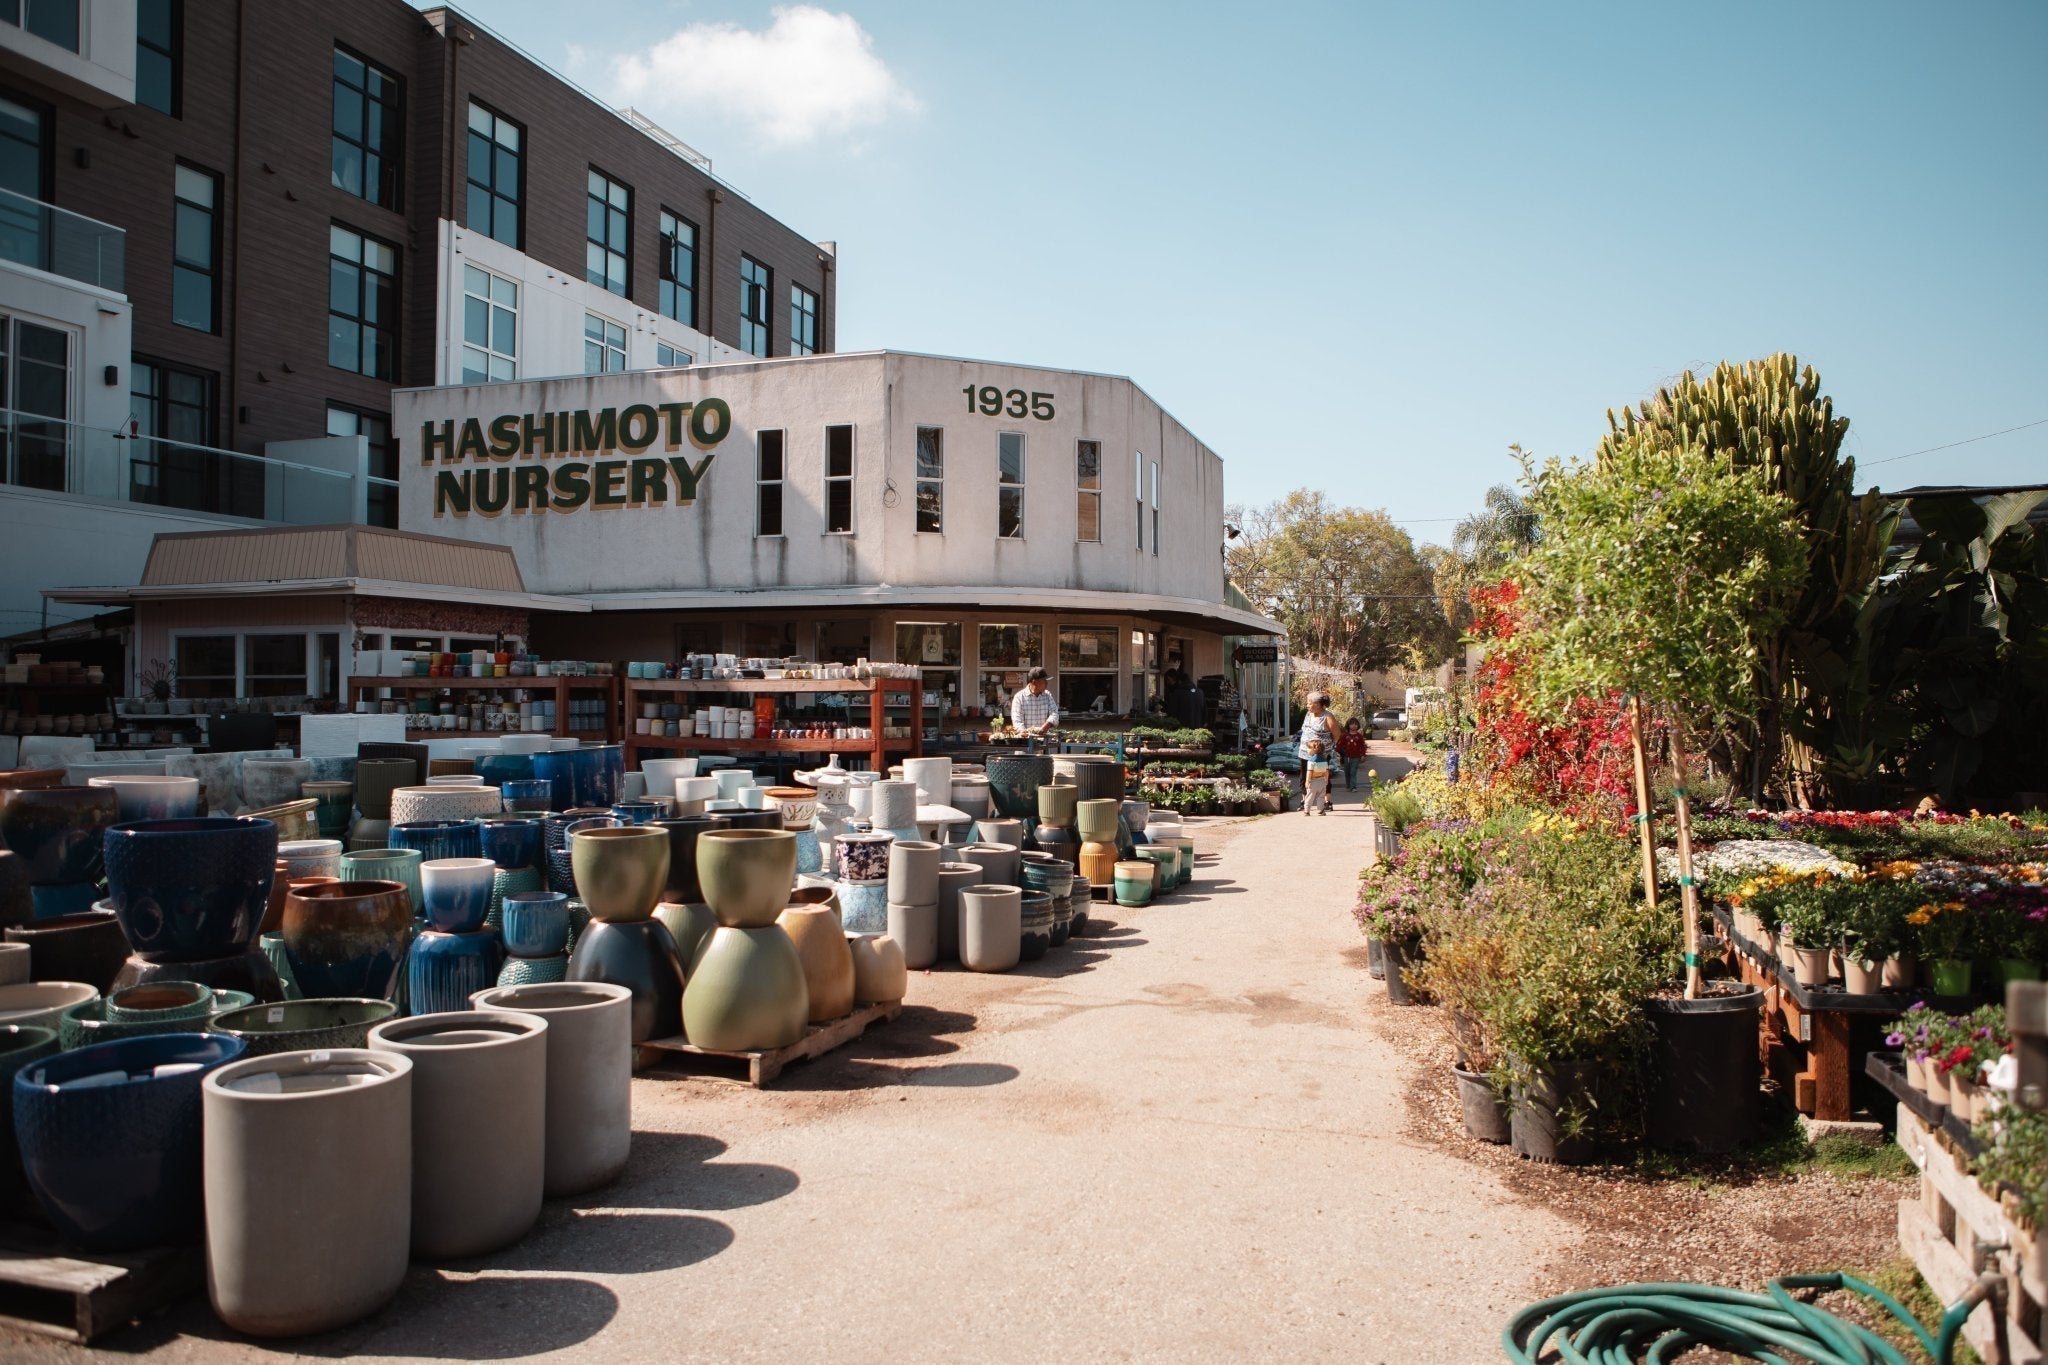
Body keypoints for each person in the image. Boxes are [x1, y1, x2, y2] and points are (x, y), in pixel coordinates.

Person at [1296, 691, 1337, 813]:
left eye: (1309, 703)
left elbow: (1337, 734)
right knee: (1304, 776)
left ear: (1318, 704)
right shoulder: (1308, 714)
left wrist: (1329, 746)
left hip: (1321, 754)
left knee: (1323, 777)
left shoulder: (1327, 716)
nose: (1307, 705)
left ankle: (1327, 801)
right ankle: (1304, 801)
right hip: (1305, 751)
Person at [1010, 666, 1059, 751]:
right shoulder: (1019, 697)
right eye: (1044, 681)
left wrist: (1045, 727)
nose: (1047, 684)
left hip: (1044, 744)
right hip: (1024, 745)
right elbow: (1017, 721)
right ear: (1034, 682)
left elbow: (1054, 713)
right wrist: (1027, 735)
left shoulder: (1047, 695)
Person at [1302, 737, 1333, 815]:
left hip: (1313, 781)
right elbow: (1326, 771)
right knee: (1321, 797)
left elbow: (1309, 772)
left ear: (1314, 749)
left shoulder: (1311, 761)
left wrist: (1307, 781)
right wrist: (1326, 779)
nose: (1307, 750)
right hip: (1322, 781)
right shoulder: (1324, 760)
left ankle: (1307, 810)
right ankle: (1320, 810)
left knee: (1309, 796)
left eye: (1308, 749)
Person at [1337, 716, 1368, 793]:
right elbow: (1339, 745)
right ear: (1348, 725)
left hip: (1356, 757)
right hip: (1346, 757)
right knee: (1347, 772)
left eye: (1355, 724)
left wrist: (1363, 755)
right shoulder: (1344, 735)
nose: (1354, 726)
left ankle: (1353, 786)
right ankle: (1348, 786)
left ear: (1358, 725)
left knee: (1353, 771)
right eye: (1352, 724)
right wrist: (1337, 752)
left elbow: (1362, 746)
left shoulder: (1359, 736)